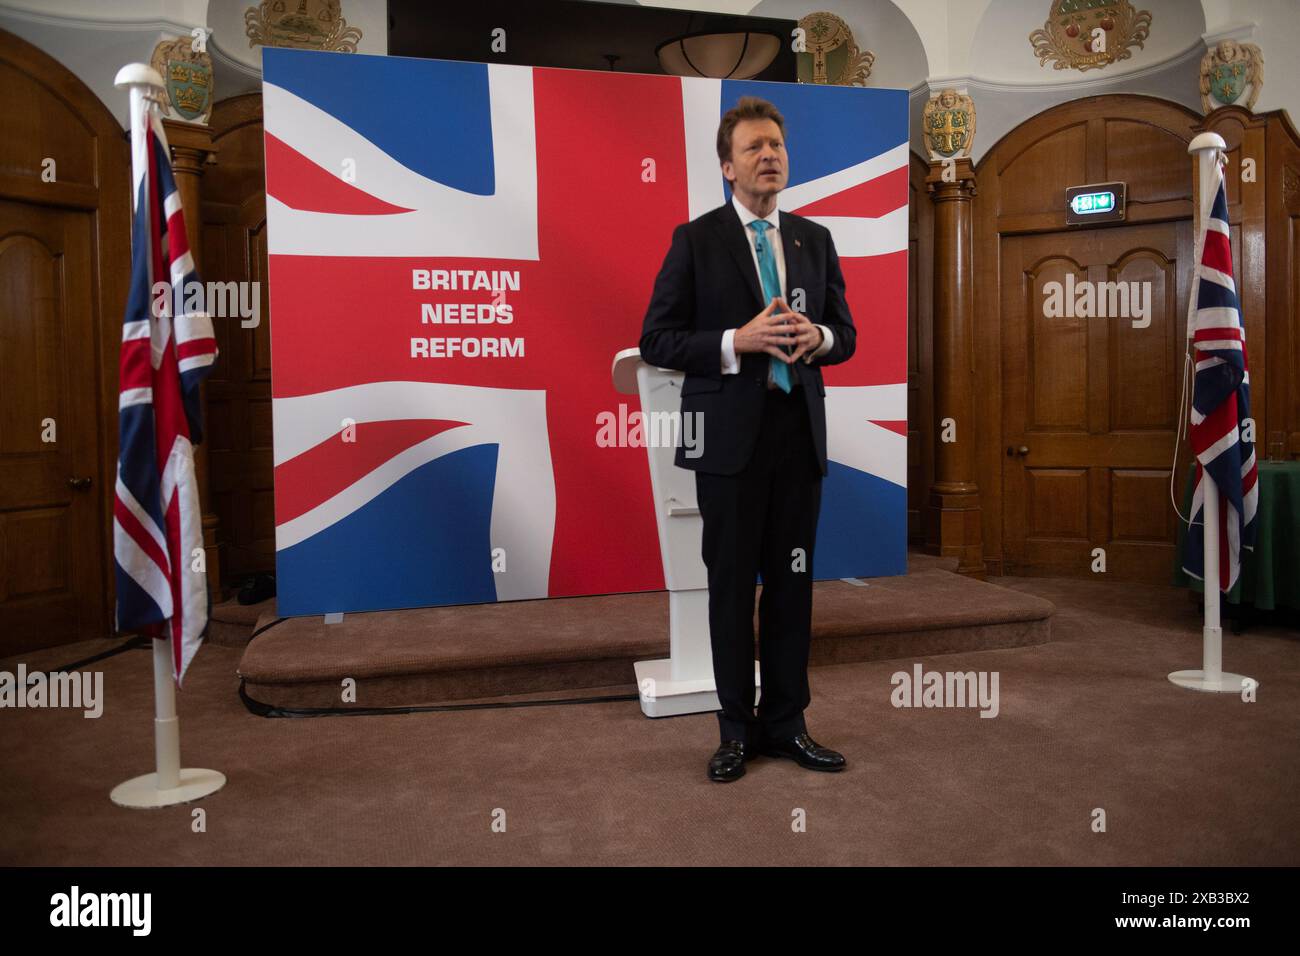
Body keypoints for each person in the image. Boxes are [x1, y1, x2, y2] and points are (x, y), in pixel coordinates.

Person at [638, 96, 857, 782]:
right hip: (728, 445)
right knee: (732, 588)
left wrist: (815, 337)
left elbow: (845, 335)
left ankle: (787, 725)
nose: (770, 156)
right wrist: (740, 340)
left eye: (777, 146)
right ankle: (735, 730)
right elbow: (658, 338)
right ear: (727, 165)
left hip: (798, 441)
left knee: (792, 588)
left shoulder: (814, 241)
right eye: (755, 147)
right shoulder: (695, 240)